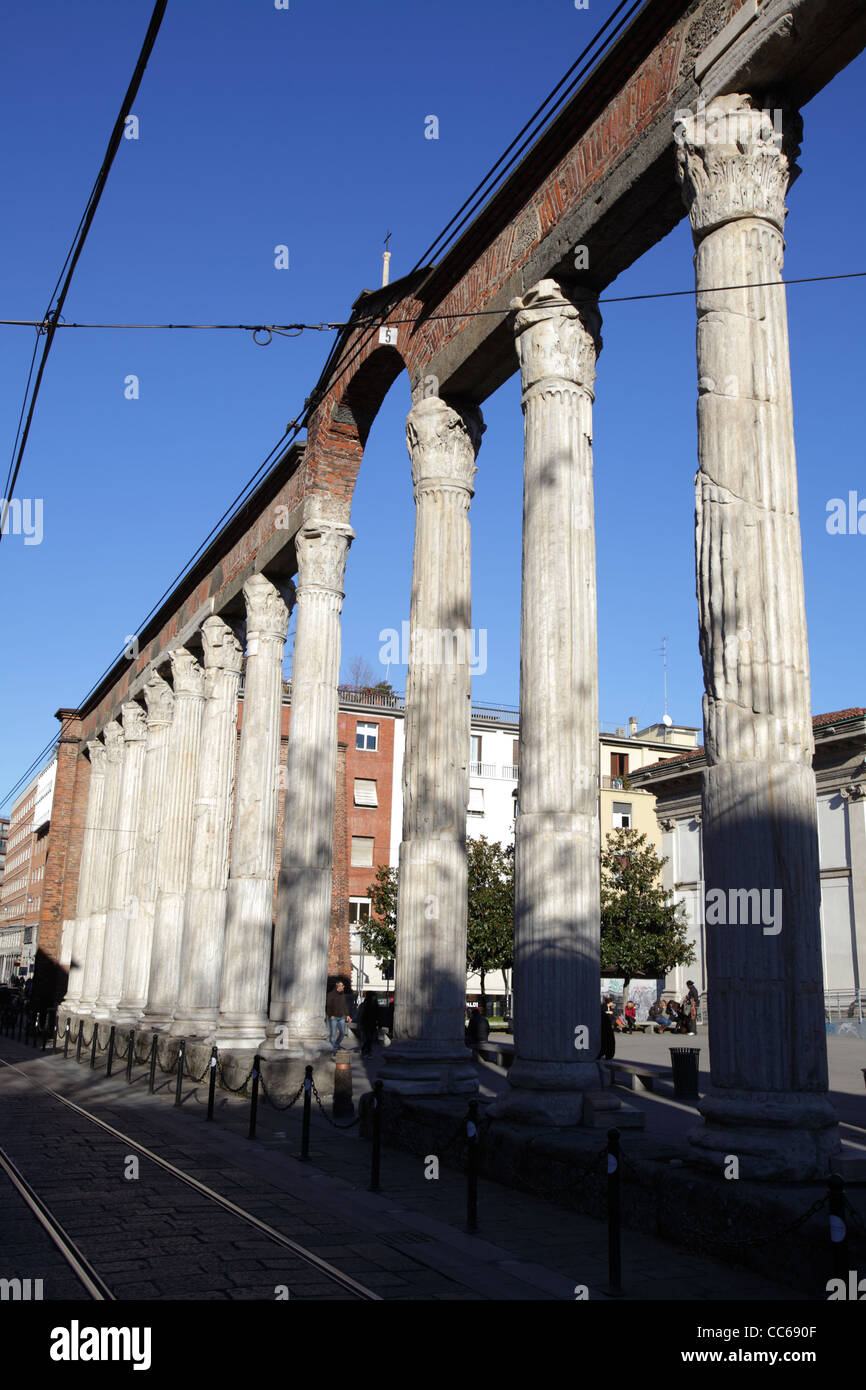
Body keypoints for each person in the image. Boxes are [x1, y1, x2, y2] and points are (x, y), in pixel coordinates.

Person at [325, 979, 352, 1057]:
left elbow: (344, 1005)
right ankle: (333, 1049)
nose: (344, 987)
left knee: (343, 1033)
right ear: (338, 986)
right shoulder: (331, 995)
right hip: (333, 1017)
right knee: (333, 1034)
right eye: (342, 986)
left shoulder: (342, 994)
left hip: (341, 1017)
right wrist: (330, 1015)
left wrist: (347, 1015)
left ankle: (335, 1045)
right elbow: (328, 1006)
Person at [356, 991, 380, 1057]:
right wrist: (359, 1024)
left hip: (373, 1024)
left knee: (370, 1039)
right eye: (373, 996)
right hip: (365, 1024)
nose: (374, 998)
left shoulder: (375, 1005)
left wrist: (379, 1024)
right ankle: (367, 1051)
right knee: (368, 1038)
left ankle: (365, 1050)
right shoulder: (364, 1005)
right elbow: (360, 1015)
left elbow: (378, 1015)